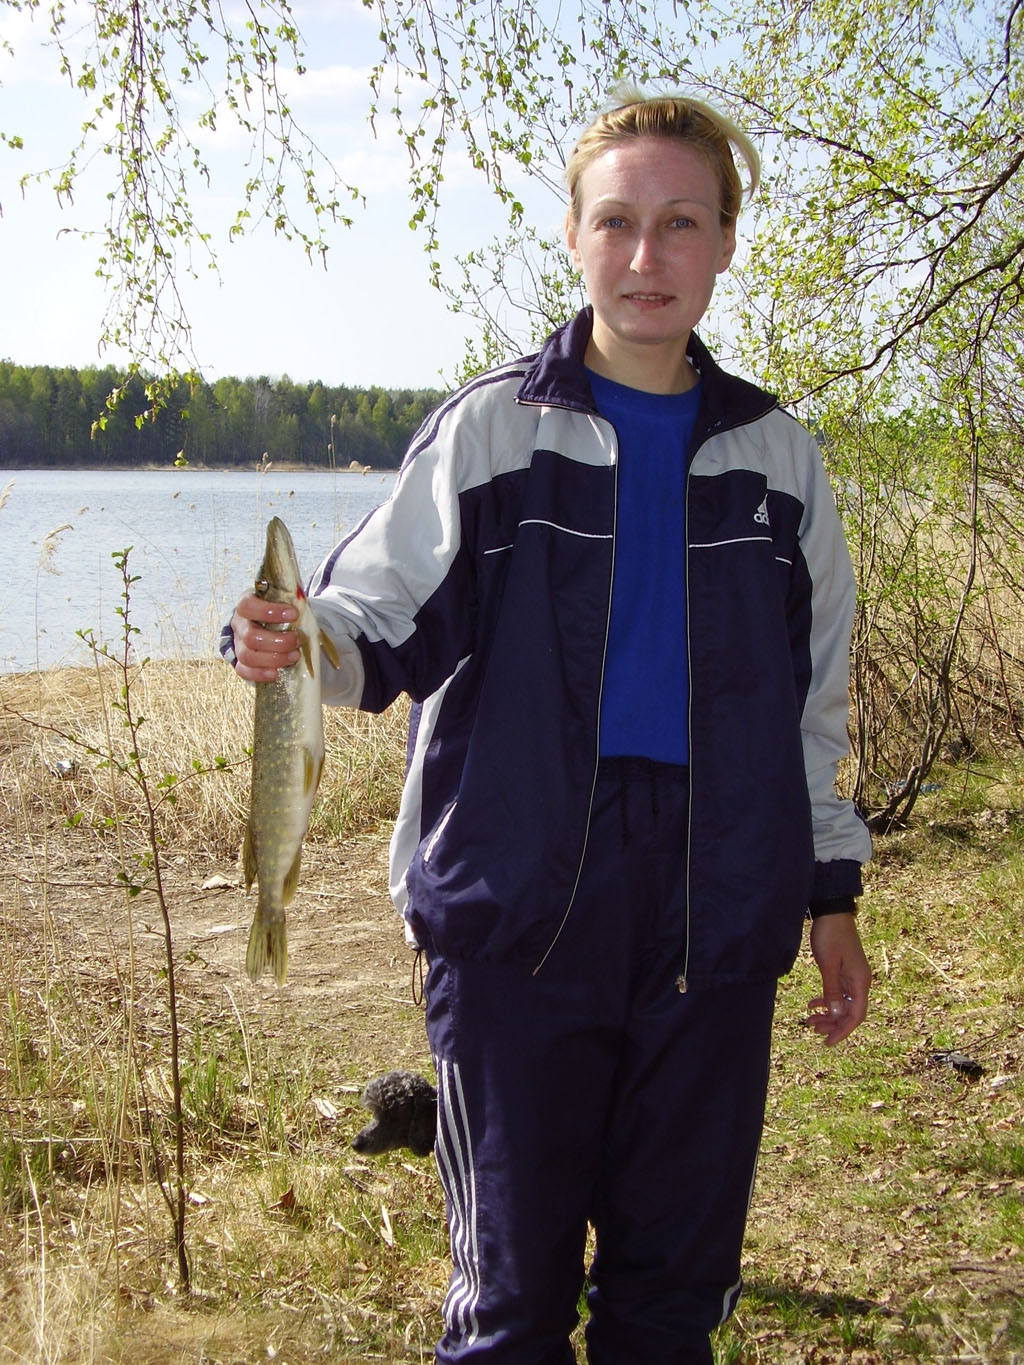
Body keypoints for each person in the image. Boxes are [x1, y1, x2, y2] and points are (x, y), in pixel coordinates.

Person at [223, 89, 873, 1365]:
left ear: (726, 242)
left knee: (668, 1309)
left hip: (717, 918)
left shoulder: (780, 463)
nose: (647, 256)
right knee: (510, 1314)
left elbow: (812, 710)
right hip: (516, 910)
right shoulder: (491, 433)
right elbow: (371, 621)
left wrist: (827, 891)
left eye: (680, 223)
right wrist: (287, 640)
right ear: (574, 238)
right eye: (617, 221)